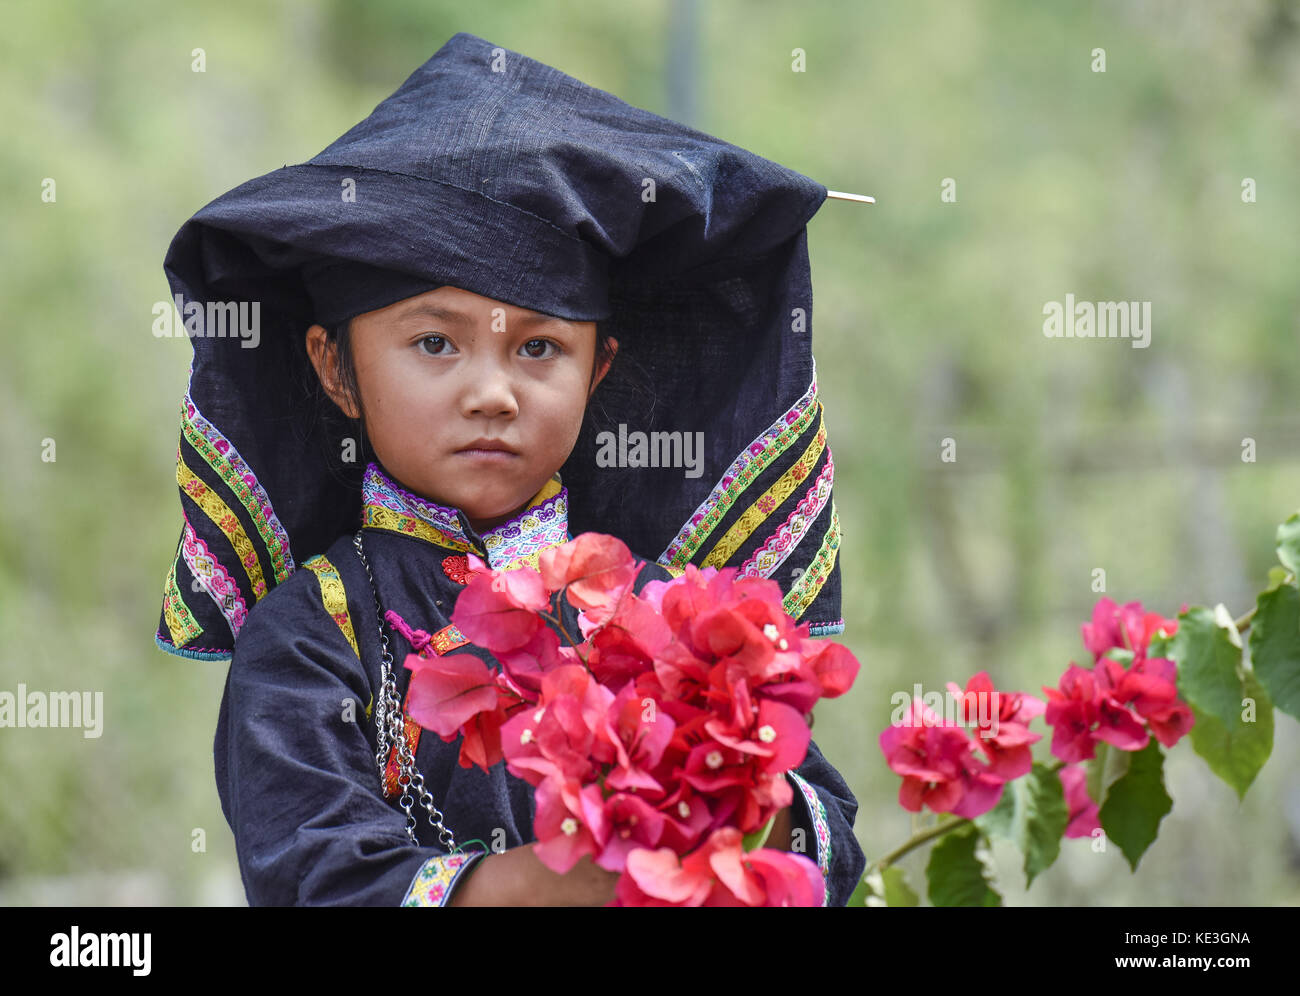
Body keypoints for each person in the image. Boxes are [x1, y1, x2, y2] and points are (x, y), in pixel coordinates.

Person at [155, 31, 864, 906]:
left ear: (596, 369)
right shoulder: (309, 636)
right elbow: (317, 879)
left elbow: (826, 850)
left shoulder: (675, 616)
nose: (492, 392)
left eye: (539, 346)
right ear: (336, 367)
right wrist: (577, 880)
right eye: (434, 342)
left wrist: (741, 777)